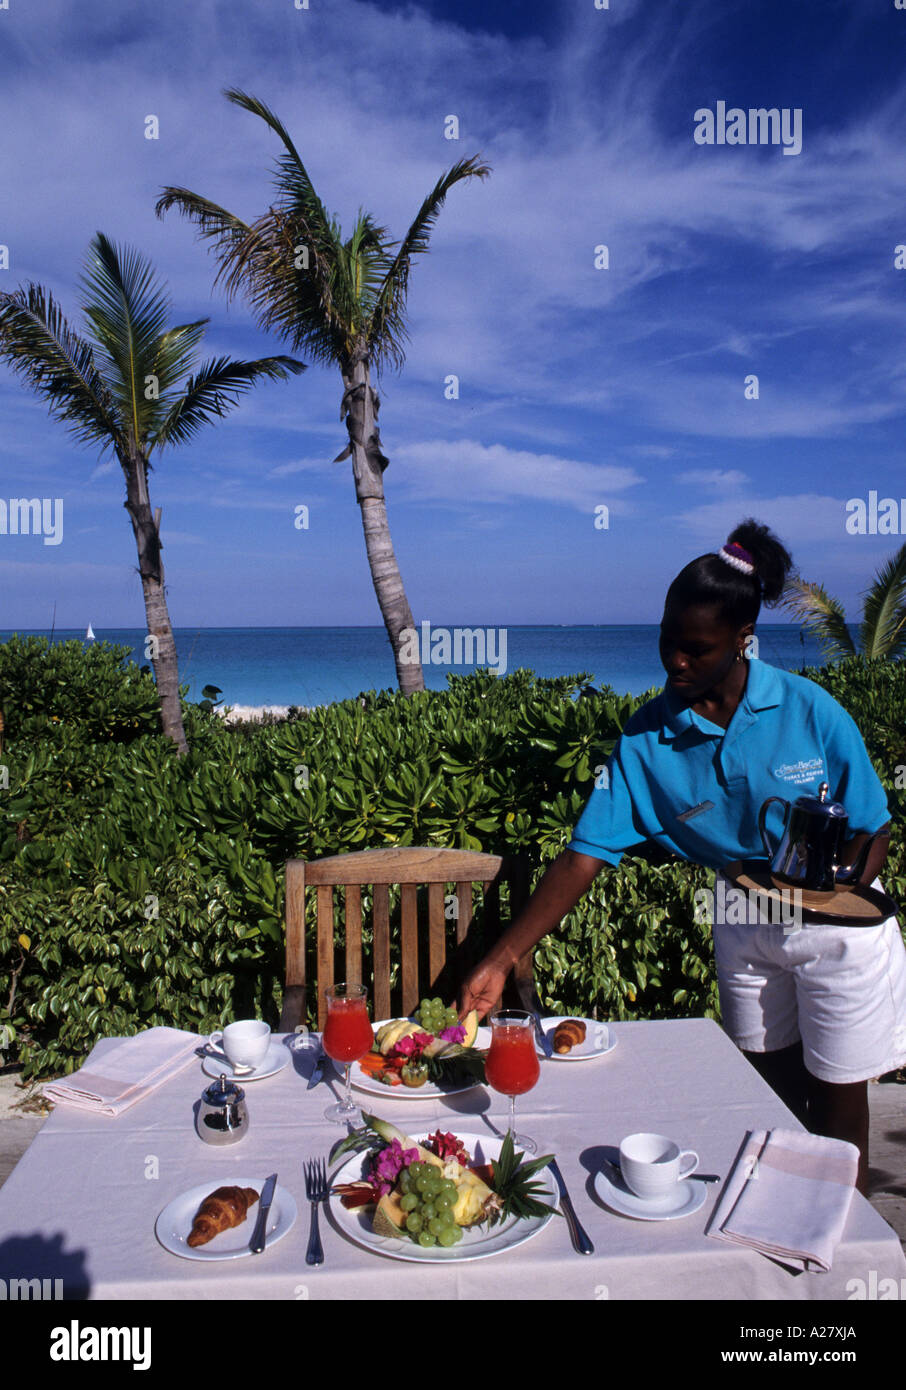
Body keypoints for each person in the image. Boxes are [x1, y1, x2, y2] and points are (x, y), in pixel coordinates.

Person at [459, 518, 906, 1194]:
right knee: (771, 1093)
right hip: (743, 921)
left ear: (741, 640)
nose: (676, 663)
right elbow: (585, 855)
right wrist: (501, 956)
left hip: (838, 934)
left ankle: (846, 1250)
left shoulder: (809, 710)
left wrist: (838, 883)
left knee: (837, 1099)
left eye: (696, 650)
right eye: (668, 643)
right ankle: (777, 1230)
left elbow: (873, 825)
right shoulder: (647, 738)